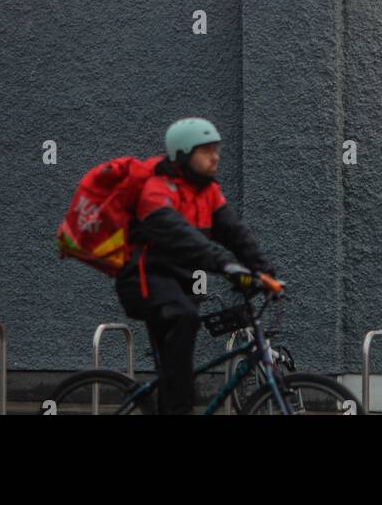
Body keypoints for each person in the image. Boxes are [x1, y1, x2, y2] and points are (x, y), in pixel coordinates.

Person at [115, 117, 275, 415]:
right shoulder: (156, 190)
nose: (215, 156)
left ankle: (173, 404)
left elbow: (235, 232)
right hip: (143, 280)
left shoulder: (208, 192)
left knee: (179, 355)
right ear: (183, 154)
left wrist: (263, 271)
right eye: (206, 151)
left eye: (216, 149)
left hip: (178, 283)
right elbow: (185, 238)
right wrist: (227, 266)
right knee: (184, 318)